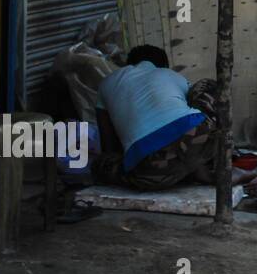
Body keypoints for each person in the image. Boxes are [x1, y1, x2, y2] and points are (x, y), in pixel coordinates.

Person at [92, 45, 220, 191]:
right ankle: (208, 166)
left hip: (152, 172)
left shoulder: (107, 82)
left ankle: (182, 170)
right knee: (205, 87)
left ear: (129, 64)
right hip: (202, 138)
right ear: (164, 65)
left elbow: (108, 145)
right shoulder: (170, 74)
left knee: (100, 164)